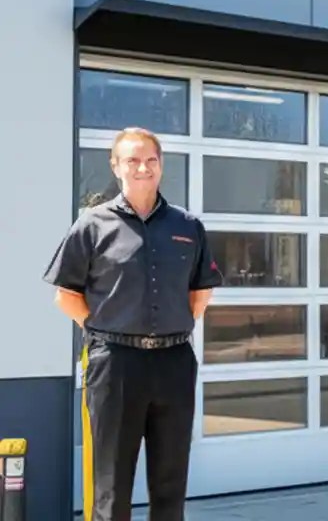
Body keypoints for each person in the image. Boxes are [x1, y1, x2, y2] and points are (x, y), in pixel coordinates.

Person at [43, 127, 223, 520]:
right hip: (115, 366)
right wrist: (107, 327)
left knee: (170, 482)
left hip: (174, 362)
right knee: (110, 485)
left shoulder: (187, 226)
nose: (143, 168)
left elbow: (201, 292)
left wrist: (167, 329)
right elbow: (66, 294)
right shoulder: (92, 225)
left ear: (161, 166)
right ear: (116, 166)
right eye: (133, 160)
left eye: (151, 160)